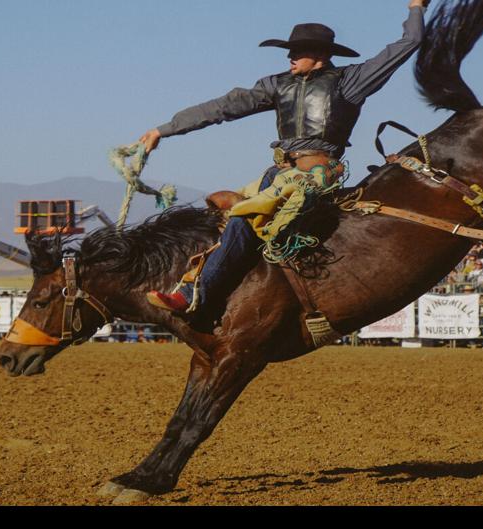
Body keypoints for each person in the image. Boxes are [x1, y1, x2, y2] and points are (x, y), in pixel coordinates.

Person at [140, 0, 431, 317]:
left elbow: (408, 43)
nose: (289, 57)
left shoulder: (350, 81)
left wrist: (416, 7)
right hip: (277, 175)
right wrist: (164, 130)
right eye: (289, 51)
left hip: (317, 174)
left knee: (244, 218)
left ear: (319, 55)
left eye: (297, 51)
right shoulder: (276, 85)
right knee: (220, 218)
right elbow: (221, 108)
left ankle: (192, 296)